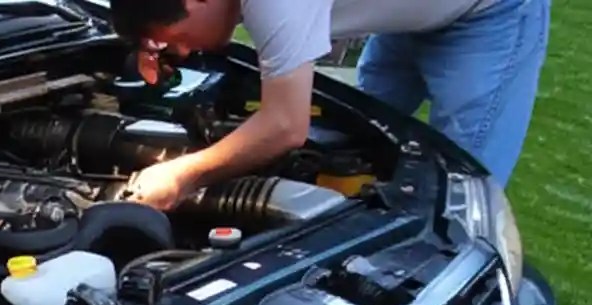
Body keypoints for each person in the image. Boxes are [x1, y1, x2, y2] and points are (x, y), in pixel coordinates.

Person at [108, 0, 551, 210]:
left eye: (172, 41)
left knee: (461, 193)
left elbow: (285, 126)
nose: (179, 54)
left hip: (487, 12)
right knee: (360, 137)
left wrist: (182, 174)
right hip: (402, 16)